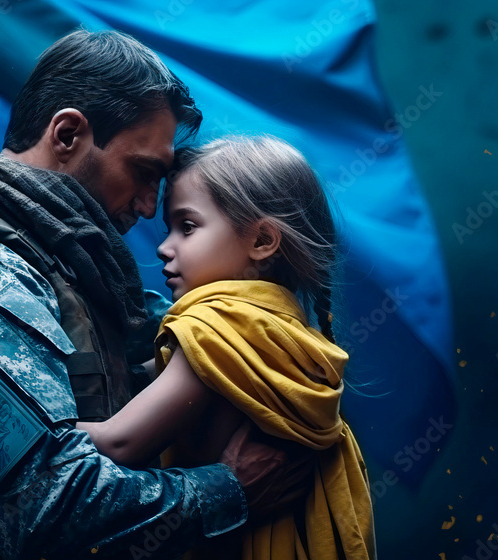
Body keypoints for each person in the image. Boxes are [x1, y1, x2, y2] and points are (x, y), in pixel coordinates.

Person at [0, 30, 306, 559]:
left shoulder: (65, 274)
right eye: (143, 173)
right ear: (68, 134)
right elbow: (50, 507)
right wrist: (232, 489)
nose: (146, 207)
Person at [78, 135, 377, 559]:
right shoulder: (280, 331)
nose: (164, 247)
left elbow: (119, 444)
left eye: (187, 226)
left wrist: (23, 431)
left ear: (261, 242)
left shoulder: (213, 329)